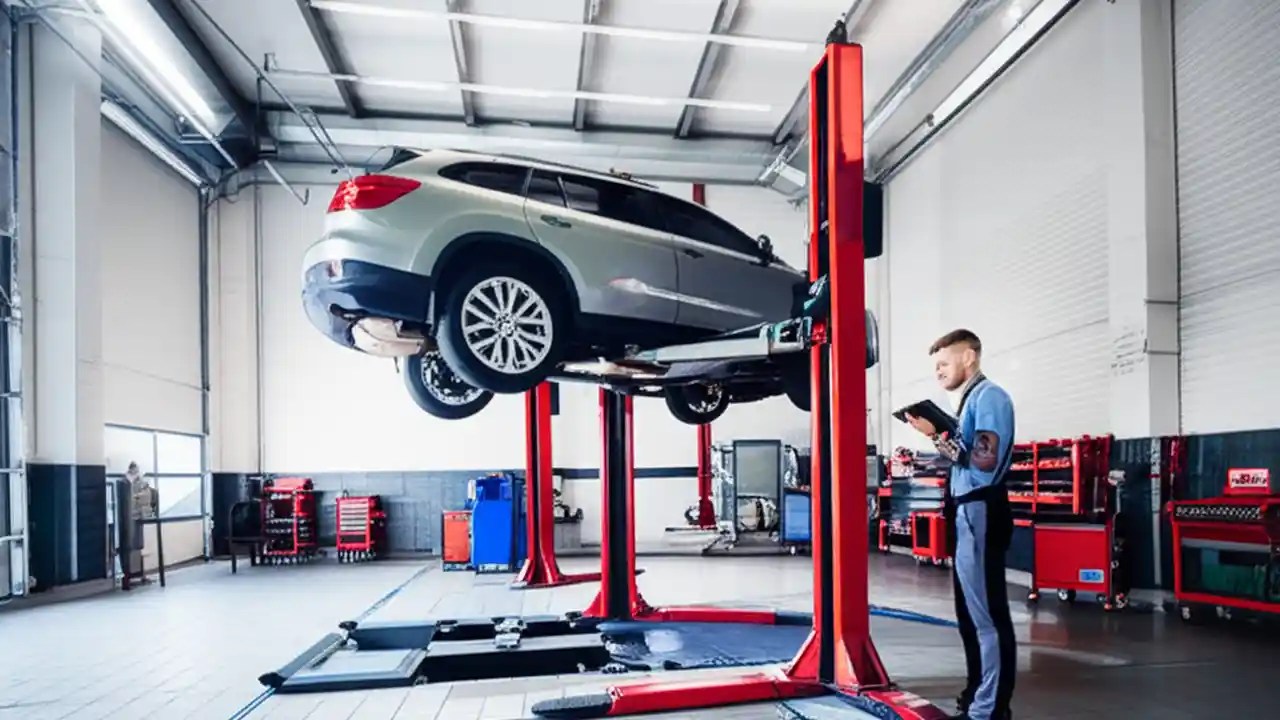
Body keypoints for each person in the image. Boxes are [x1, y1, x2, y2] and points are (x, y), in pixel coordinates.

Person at [904, 329, 1016, 720]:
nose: (938, 371)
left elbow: (983, 464)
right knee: (969, 614)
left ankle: (990, 710)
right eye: (935, 365)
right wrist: (940, 437)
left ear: (969, 357)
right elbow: (967, 456)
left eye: (943, 363)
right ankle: (976, 697)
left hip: (982, 510)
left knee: (987, 616)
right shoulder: (971, 402)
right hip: (967, 514)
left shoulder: (991, 399)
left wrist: (940, 434)